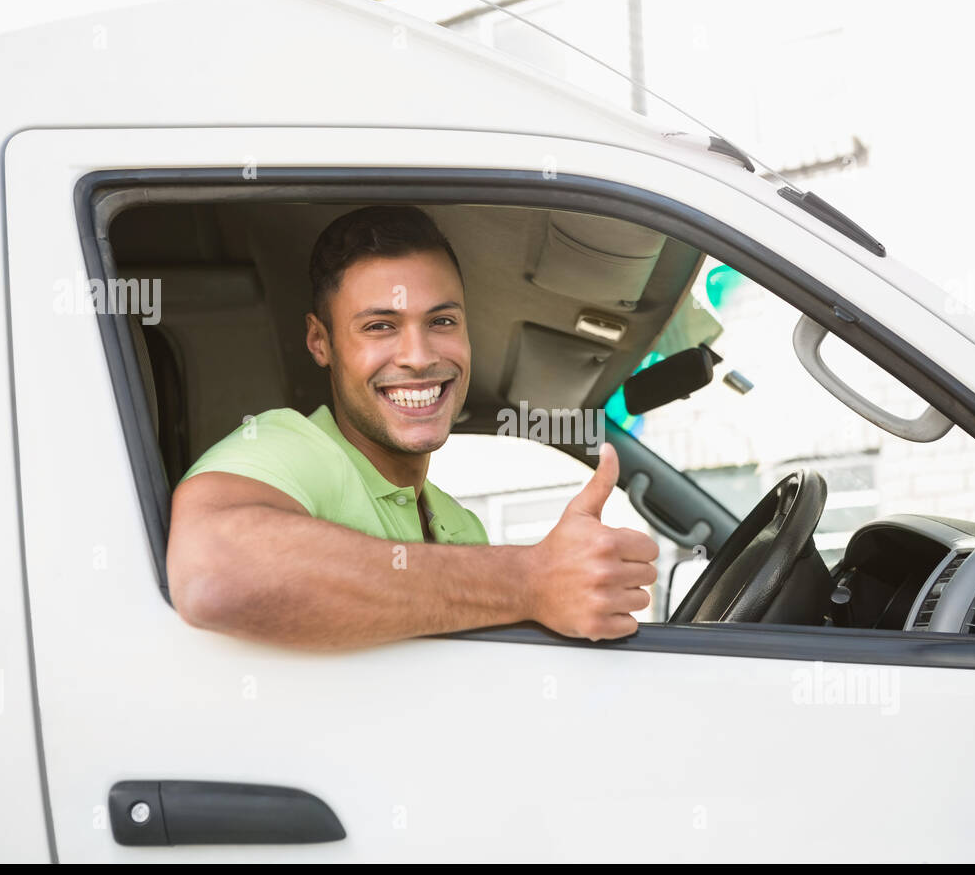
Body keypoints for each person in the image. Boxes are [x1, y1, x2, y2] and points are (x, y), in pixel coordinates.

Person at [166, 205, 659, 649]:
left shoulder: (462, 526)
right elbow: (216, 575)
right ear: (320, 342)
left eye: (441, 322)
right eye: (380, 326)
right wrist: (530, 580)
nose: (419, 357)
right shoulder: (292, 446)